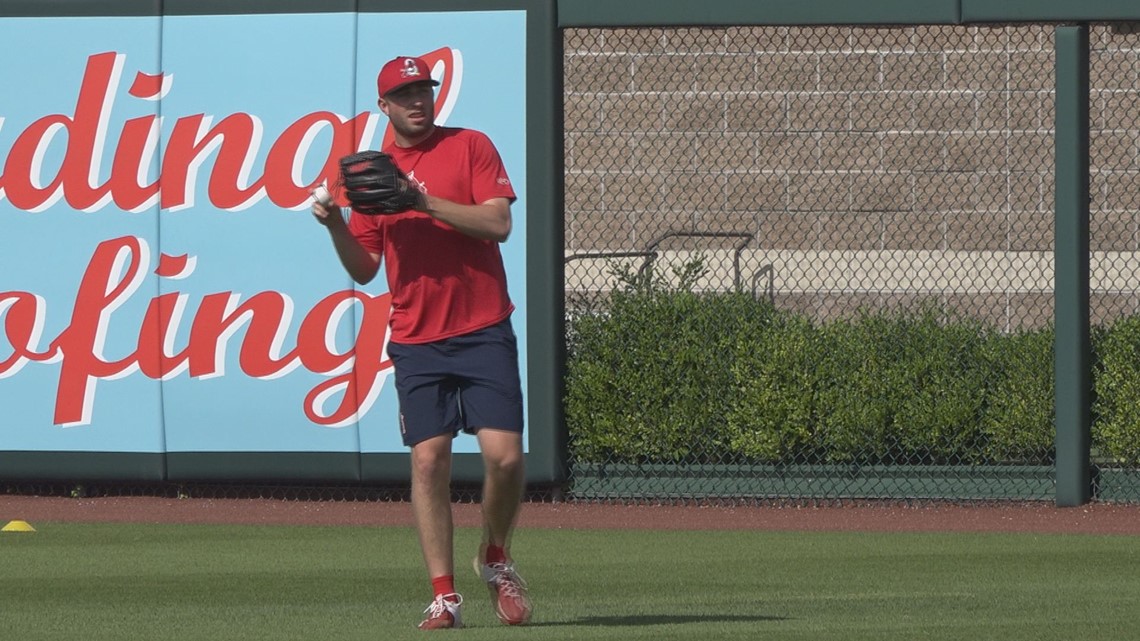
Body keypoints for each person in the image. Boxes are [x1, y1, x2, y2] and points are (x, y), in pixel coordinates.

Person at [311, 55, 531, 630]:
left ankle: (496, 553)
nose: (417, 100)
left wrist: (421, 200)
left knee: (505, 460)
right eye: (404, 93)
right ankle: (445, 595)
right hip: (417, 338)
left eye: (424, 89)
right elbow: (364, 270)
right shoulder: (367, 174)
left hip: (483, 326)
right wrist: (335, 223)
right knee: (430, 461)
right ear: (383, 106)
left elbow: (498, 224)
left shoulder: (471, 146)